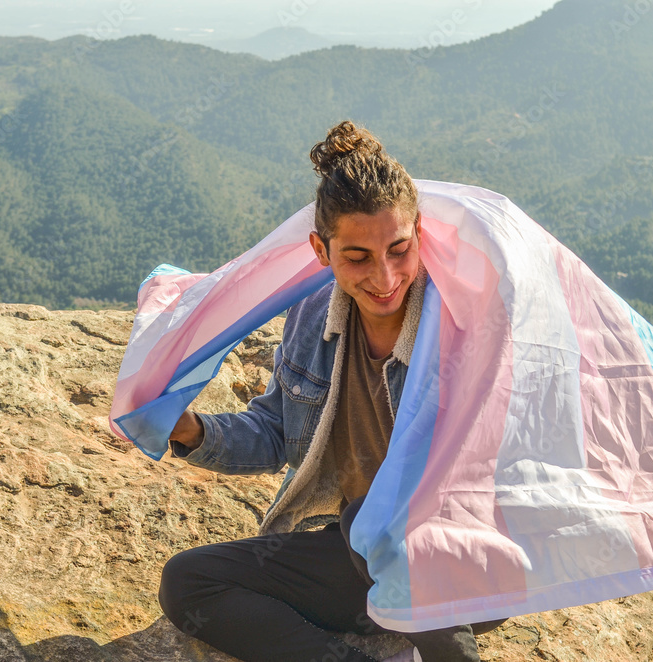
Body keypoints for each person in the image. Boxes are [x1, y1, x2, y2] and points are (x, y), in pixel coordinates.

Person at [158, 120, 504, 662]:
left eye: (399, 248)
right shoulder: (313, 314)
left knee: (369, 515)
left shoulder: (459, 324)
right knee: (188, 582)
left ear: (421, 236)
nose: (385, 277)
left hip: (461, 567)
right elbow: (277, 431)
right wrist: (191, 430)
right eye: (357, 257)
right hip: (361, 557)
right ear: (321, 250)